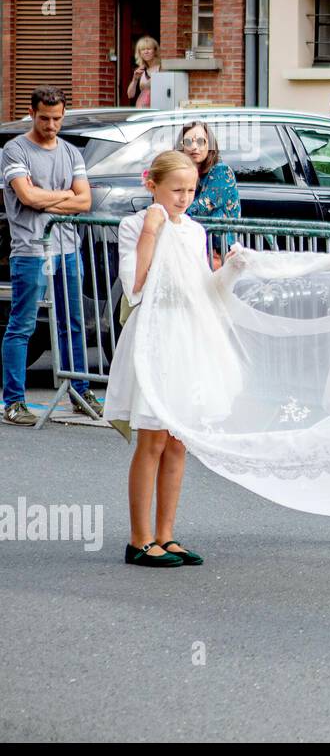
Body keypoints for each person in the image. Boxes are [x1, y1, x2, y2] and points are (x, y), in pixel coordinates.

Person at [104, 151, 212, 568]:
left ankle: (167, 535)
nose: (184, 198)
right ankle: (139, 538)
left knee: (177, 441)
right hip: (154, 333)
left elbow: (201, 287)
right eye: (176, 191)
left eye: (190, 190)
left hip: (186, 337)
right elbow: (135, 286)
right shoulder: (134, 225)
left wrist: (229, 272)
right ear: (152, 186)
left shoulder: (196, 231)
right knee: (152, 439)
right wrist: (151, 231)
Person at [2, 86, 100, 426]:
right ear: (32, 113)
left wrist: (46, 198)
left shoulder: (72, 153)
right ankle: (13, 401)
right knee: (23, 324)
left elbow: (85, 202)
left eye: (57, 119)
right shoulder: (15, 150)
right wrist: (63, 197)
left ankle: (80, 391)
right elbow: (26, 197)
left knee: (72, 322)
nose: (51, 125)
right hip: (30, 248)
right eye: (45, 118)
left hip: (67, 247)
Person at [177, 120, 240, 265]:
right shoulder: (184, 174)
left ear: (209, 144)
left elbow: (200, 208)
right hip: (193, 247)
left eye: (200, 141)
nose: (194, 147)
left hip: (218, 251)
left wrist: (168, 216)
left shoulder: (221, 172)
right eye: (188, 141)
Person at [126, 36, 161, 108]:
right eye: (143, 49)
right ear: (140, 53)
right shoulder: (141, 70)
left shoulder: (161, 68)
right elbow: (130, 95)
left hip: (155, 109)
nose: (146, 52)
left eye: (149, 49)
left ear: (155, 51)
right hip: (140, 108)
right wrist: (135, 79)